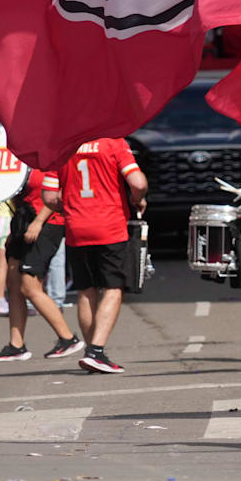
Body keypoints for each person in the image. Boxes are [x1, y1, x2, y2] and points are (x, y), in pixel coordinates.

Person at [42, 138, 147, 375]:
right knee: (113, 287)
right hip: (109, 225)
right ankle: (96, 352)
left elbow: (49, 197)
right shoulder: (114, 142)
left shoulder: (61, 144)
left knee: (86, 290)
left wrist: (70, 204)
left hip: (76, 227)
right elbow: (138, 182)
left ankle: (92, 351)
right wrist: (136, 199)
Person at [0, 169, 84, 362]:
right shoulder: (23, 159)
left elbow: (57, 194)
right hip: (23, 219)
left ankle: (68, 339)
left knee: (30, 287)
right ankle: (16, 346)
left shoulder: (51, 159)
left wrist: (38, 222)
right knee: (13, 283)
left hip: (48, 223)